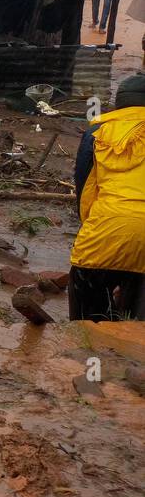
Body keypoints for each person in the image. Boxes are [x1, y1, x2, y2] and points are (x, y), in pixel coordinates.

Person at [68, 74, 145, 320]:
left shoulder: (98, 132)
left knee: (88, 324)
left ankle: (92, 338)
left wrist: (91, 227)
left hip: (107, 230)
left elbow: (86, 191)